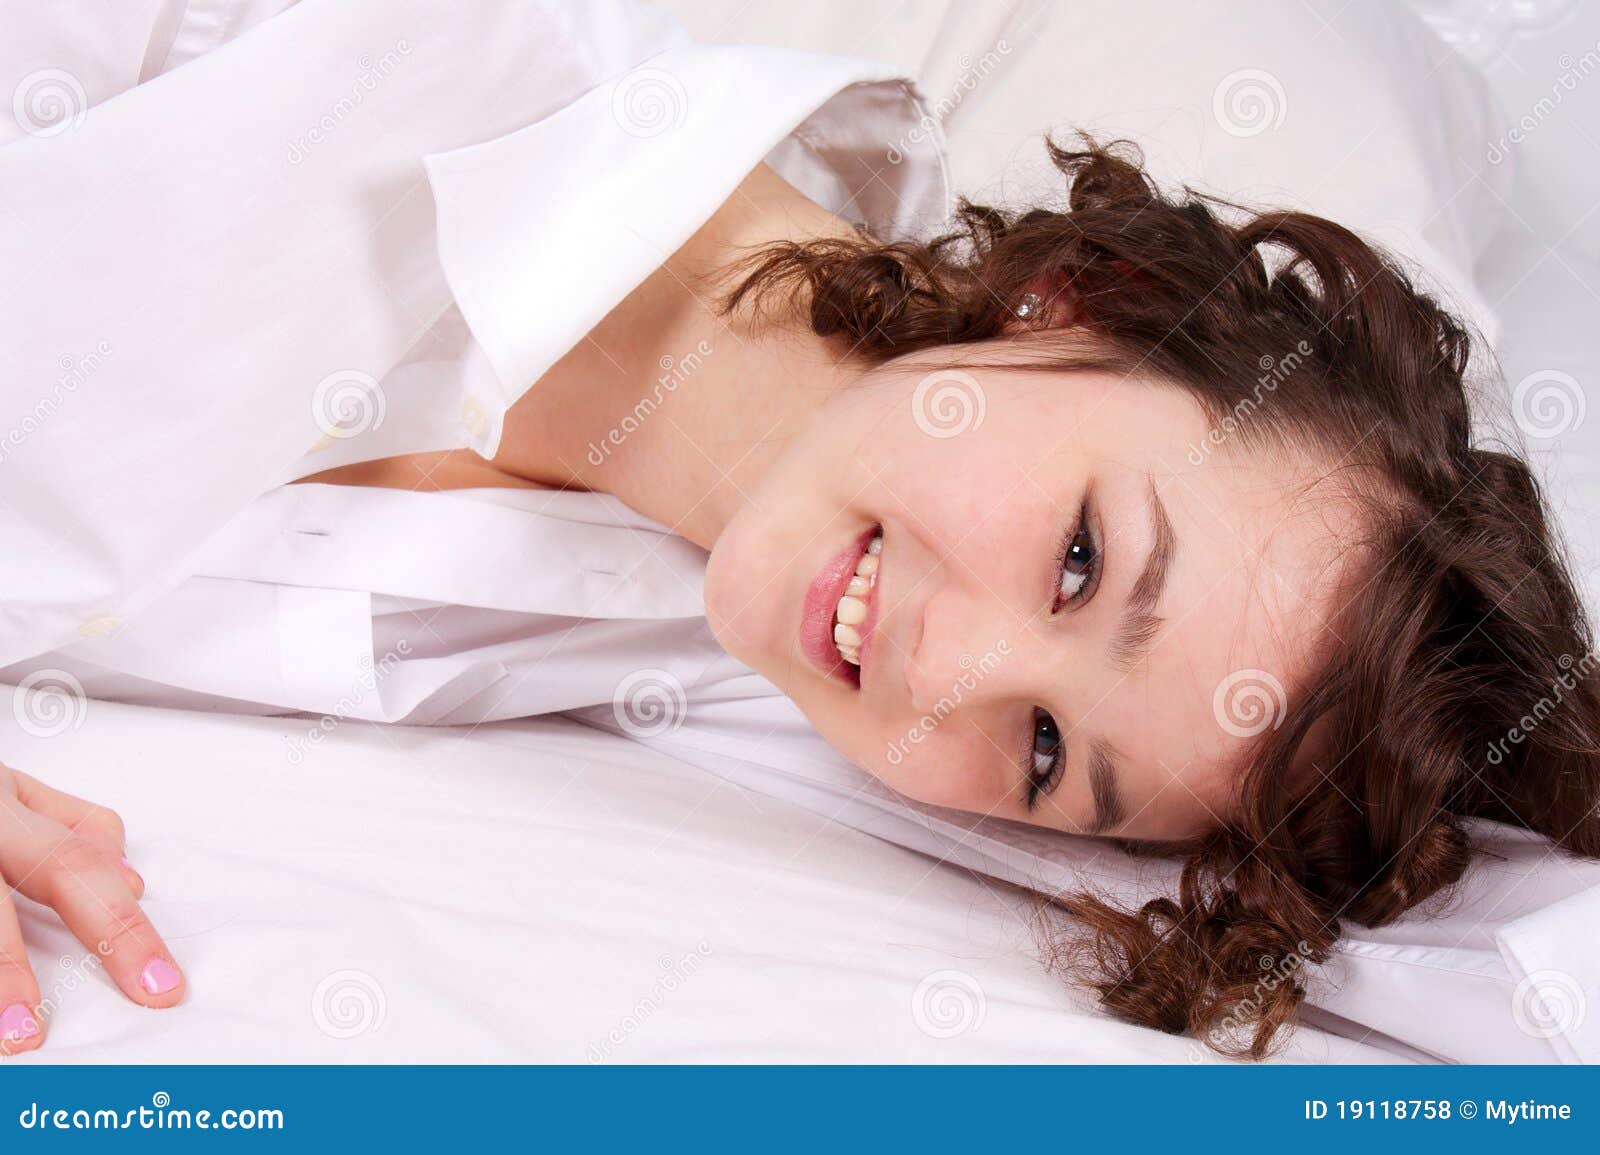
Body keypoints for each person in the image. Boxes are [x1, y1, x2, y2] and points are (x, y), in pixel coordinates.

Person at [2, 0, 1596, 1060]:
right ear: (1084, 303)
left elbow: (1511, 960)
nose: (943, 669)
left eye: (1046, 754)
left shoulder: (711, 657)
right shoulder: (409, 46)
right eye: (1082, 560)